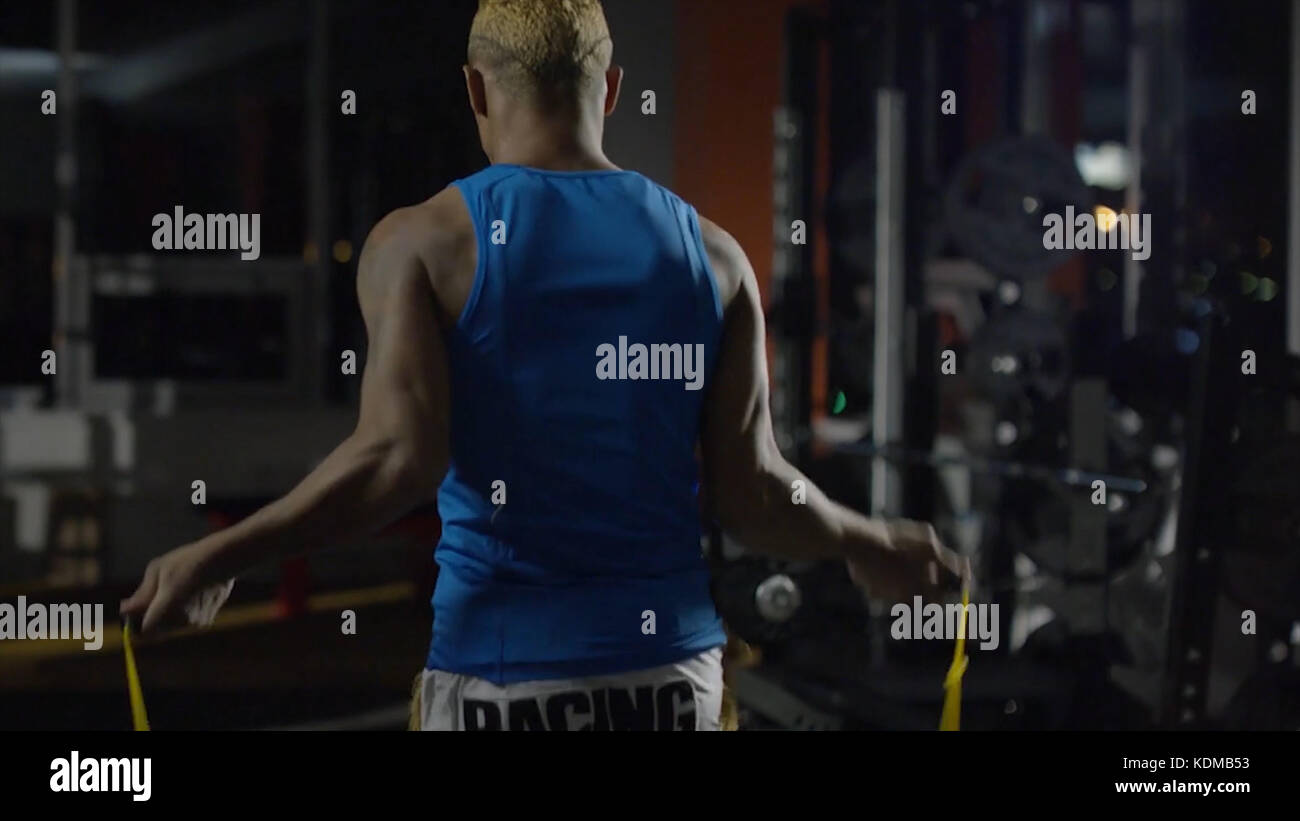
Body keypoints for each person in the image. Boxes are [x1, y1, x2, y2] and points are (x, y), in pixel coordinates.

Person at [121, 0, 965, 731]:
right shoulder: (712, 256)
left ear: (476, 90)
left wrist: (221, 556)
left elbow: (396, 460)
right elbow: (752, 490)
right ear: (612, 89)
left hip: (501, 679)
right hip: (671, 680)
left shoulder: (421, 242)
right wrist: (868, 537)